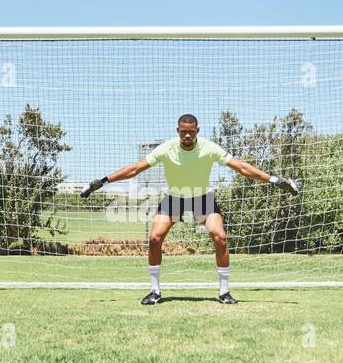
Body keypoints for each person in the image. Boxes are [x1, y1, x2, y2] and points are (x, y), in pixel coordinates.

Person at [81, 113, 300, 305]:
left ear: (197, 131)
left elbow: (241, 167)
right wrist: (104, 180)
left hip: (202, 198)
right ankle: (155, 291)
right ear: (178, 131)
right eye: (183, 132)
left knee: (220, 237)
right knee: (155, 238)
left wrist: (272, 179)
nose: (187, 136)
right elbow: (136, 169)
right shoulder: (167, 148)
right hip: (174, 198)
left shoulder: (209, 147)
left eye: (191, 132)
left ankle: (224, 292)